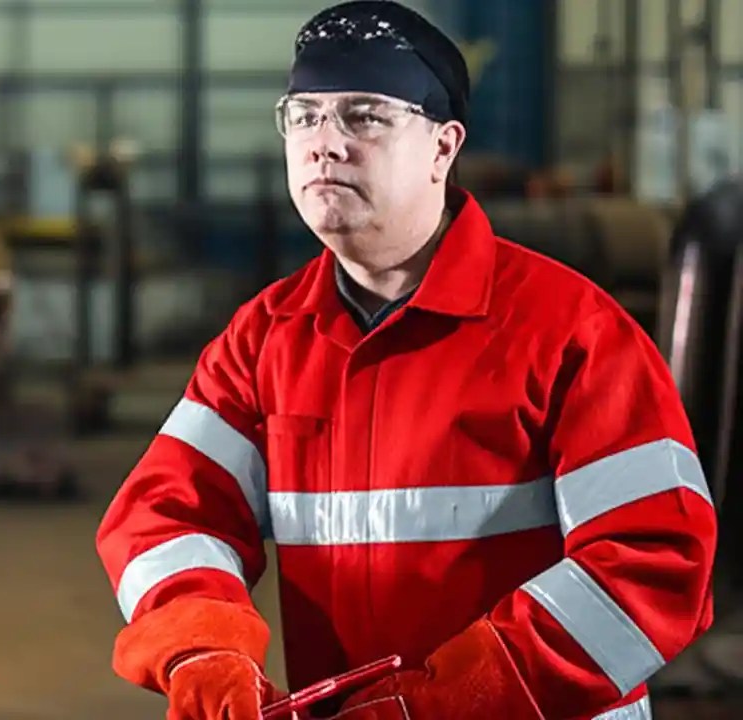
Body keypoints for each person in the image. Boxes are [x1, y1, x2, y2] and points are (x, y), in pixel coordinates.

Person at [94, 2, 717, 719]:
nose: (324, 143)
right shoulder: (265, 339)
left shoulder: (572, 332)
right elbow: (168, 518)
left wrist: (449, 701)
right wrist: (203, 651)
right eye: (303, 116)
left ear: (443, 148)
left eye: (364, 115)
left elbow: (654, 559)